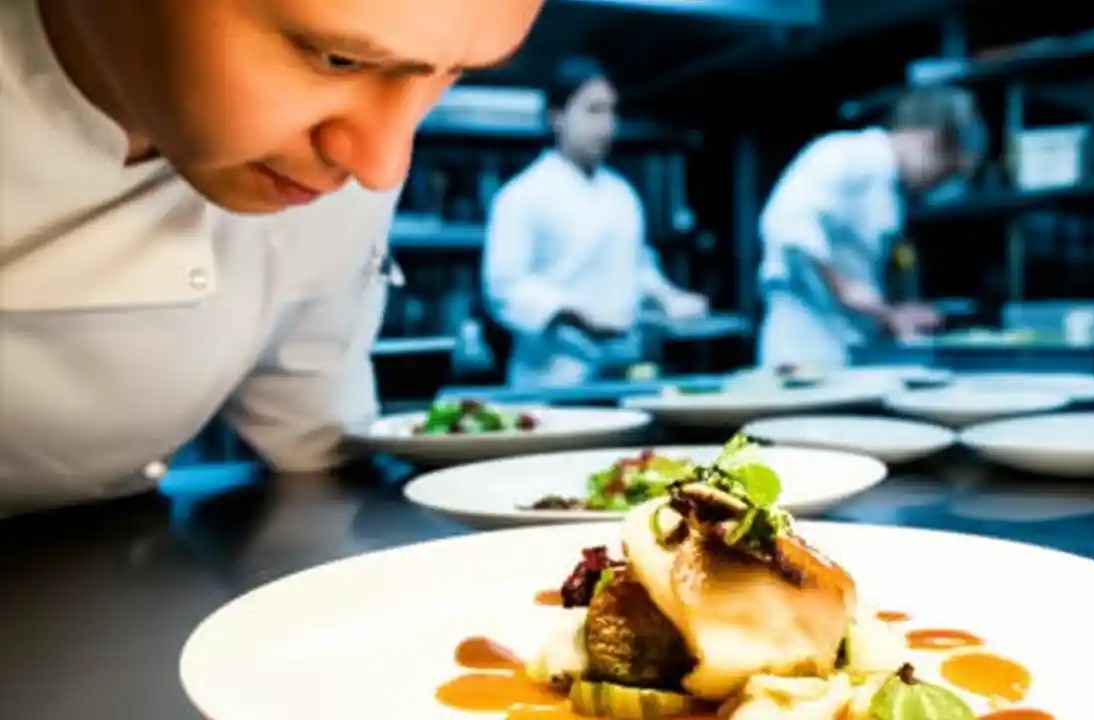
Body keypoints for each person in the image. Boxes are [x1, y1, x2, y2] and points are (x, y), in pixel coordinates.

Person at [0, 0, 544, 516]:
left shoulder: (335, 165)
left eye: (455, 74)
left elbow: (315, 443)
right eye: (340, 60)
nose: (382, 167)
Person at [482, 57, 708, 388]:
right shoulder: (522, 194)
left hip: (622, 369)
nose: (606, 125)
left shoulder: (621, 193)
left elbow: (637, 267)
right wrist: (574, 315)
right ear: (556, 117)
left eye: (611, 111)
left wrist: (669, 298)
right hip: (551, 377)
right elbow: (505, 286)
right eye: (593, 110)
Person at [756, 86, 987, 370]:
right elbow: (787, 223)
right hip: (804, 343)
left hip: (848, 346)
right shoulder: (846, 154)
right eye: (945, 171)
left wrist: (894, 314)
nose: (936, 185)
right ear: (931, 140)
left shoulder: (891, 189)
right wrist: (846, 288)